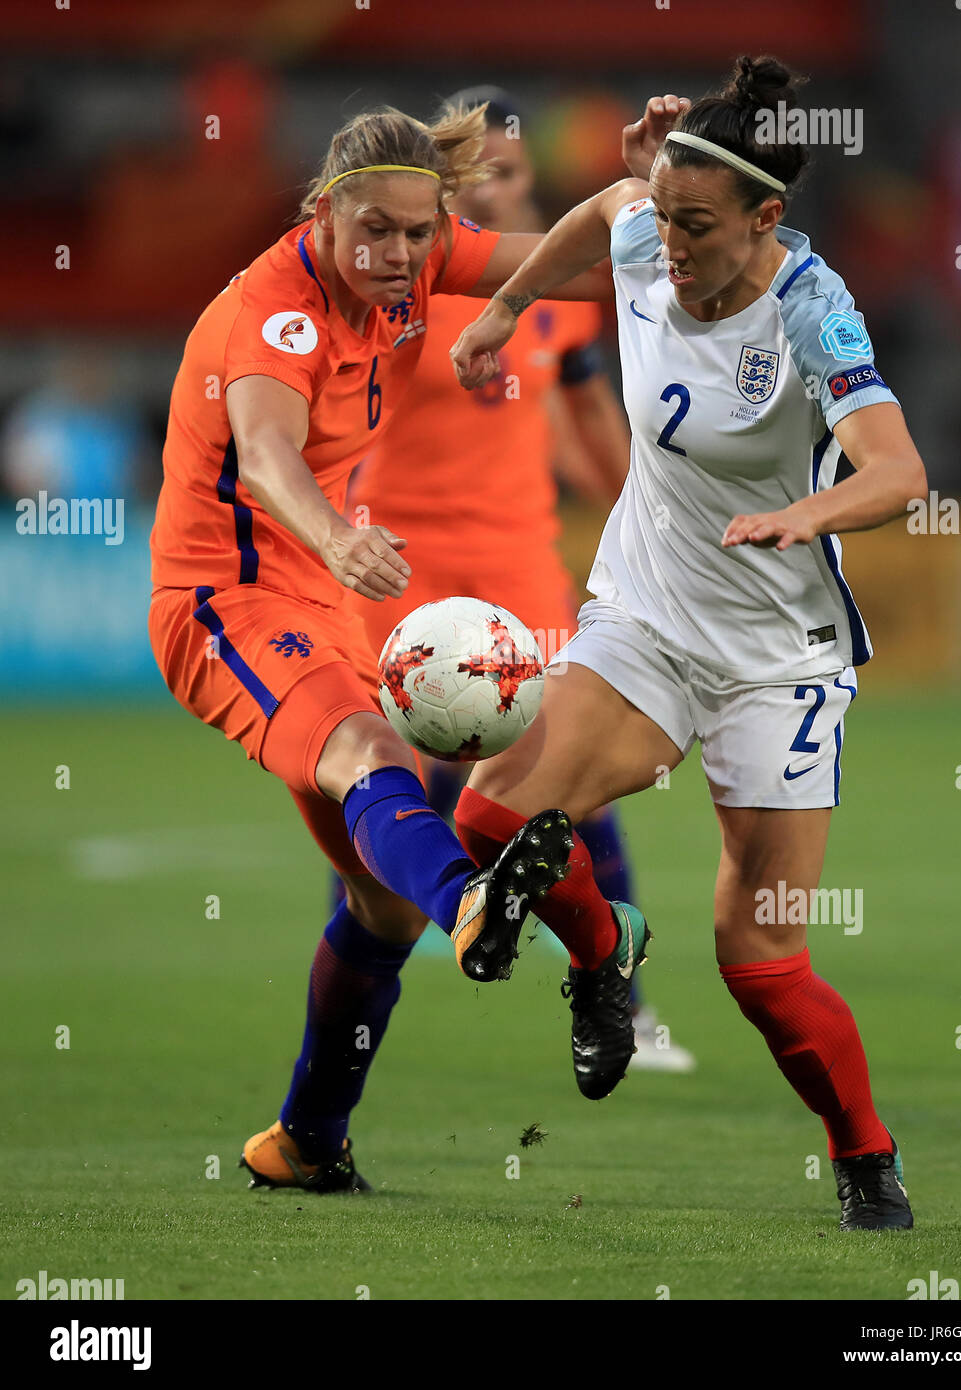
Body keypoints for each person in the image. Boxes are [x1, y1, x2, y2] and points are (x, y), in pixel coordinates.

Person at [450, 59, 928, 1231]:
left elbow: (899, 474)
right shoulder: (644, 234)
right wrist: (507, 307)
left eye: (695, 222)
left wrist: (799, 515)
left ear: (766, 219)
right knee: (488, 813)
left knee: (759, 963)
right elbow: (596, 214)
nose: (665, 238)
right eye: (661, 210)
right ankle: (604, 951)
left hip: (776, 654)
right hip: (647, 618)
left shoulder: (811, 310)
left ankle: (863, 1155)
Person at [147, 100, 650, 1195]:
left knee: (374, 897)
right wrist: (335, 535)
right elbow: (269, 449)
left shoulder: (415, 269)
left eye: (420, 235)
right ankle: (476, 901)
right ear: (323, 213)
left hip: (321, 601)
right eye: (375, 230)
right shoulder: (274, 314)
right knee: (374, 755)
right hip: (224, 599)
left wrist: (645, 190)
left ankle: (306, 1140)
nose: (400, 255)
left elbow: (585, 257)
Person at [347, 85, 695, 1074]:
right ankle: (377, 995)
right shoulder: (400, 288)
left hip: (515, 572)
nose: (499, 188)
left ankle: (616, 993)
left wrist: (661, 521)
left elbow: (585, 434)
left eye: (513, 171)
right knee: (386, 781)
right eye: (480, 173)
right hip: (397, 571)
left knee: (564, 778)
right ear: (447, 185)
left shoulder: (552, 297)